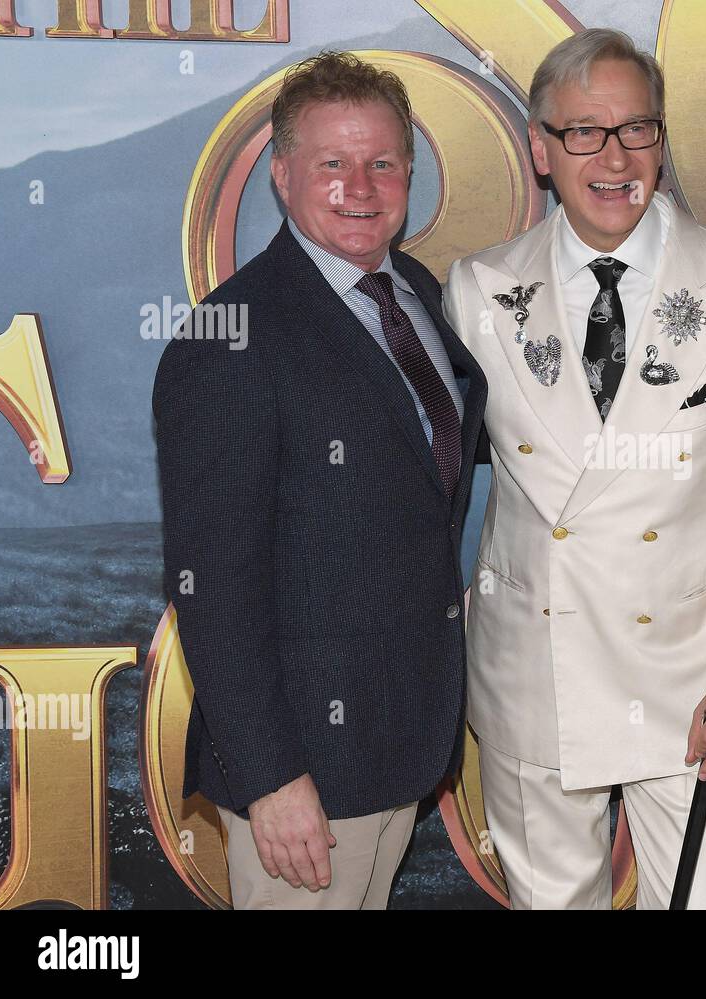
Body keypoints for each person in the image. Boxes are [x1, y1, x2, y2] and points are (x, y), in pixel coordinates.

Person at [443, 28, 706, 909]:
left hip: (693, 681)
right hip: (535, 672)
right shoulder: (478, 289)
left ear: (660, 140)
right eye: (583, 132)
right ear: (540, 149)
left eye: (636, 130)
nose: (614, 157)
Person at [153, 51, 487, 909]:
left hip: (399, 742)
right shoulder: (229, 340)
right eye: (331, 163)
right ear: (281, 173)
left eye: (382, 161)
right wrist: (270, 779)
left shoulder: (410, 290)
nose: (360, 185)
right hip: (303, 778)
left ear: (410, 172)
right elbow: (212, 586)